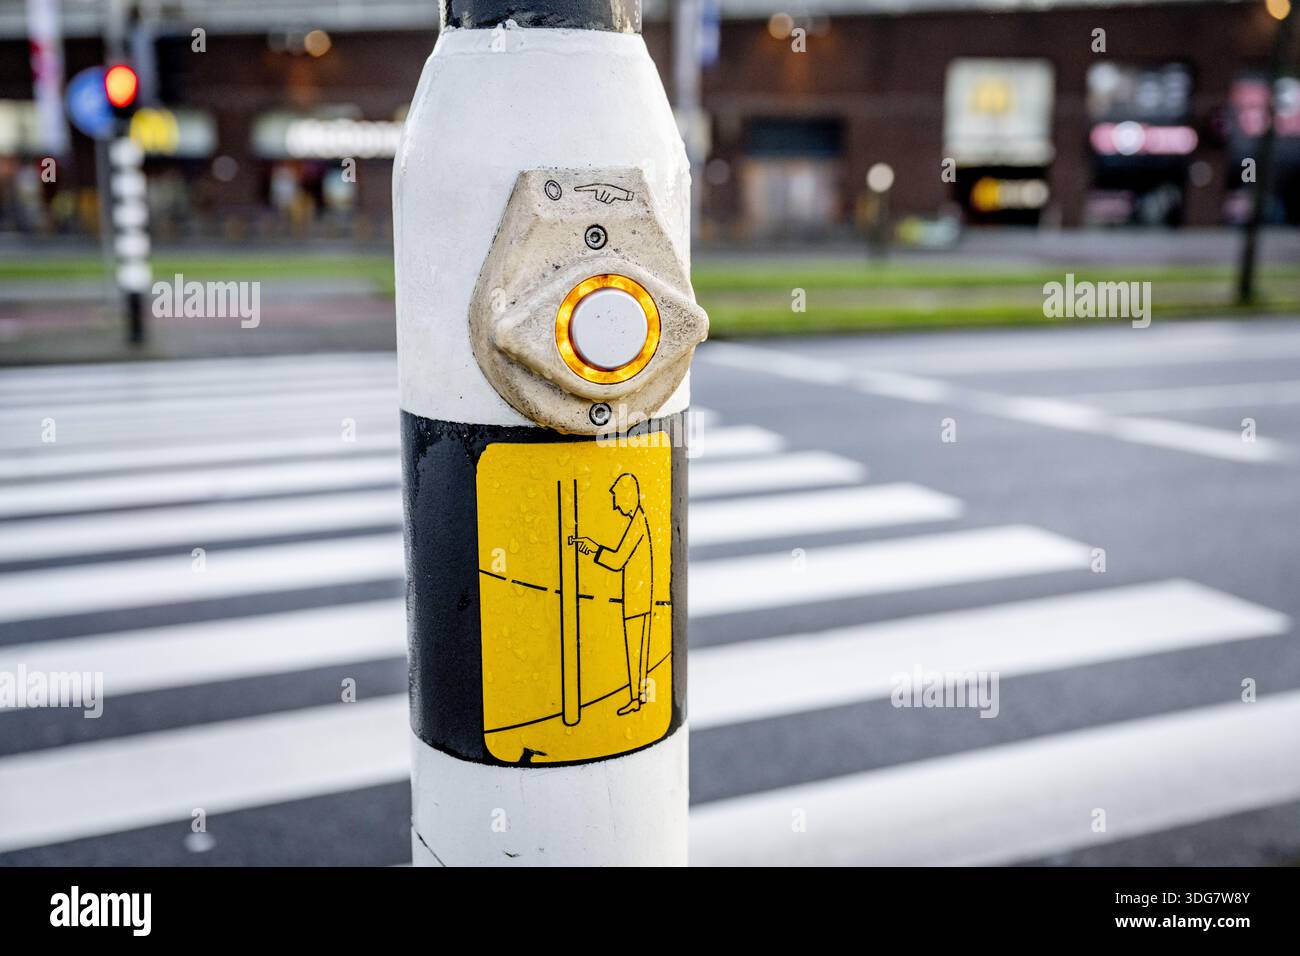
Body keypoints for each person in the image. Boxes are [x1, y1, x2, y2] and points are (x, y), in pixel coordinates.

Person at [574, 474, 653, 715]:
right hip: (637, 596)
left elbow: (618, 560)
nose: (616, 505)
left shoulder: (637, 522)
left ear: (629, 495)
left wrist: (592, 549)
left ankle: (636, 699)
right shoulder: (637, 520)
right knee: (637, 651)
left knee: (636, 650)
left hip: (637, 599)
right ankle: (638, 697)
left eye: (618, 498)